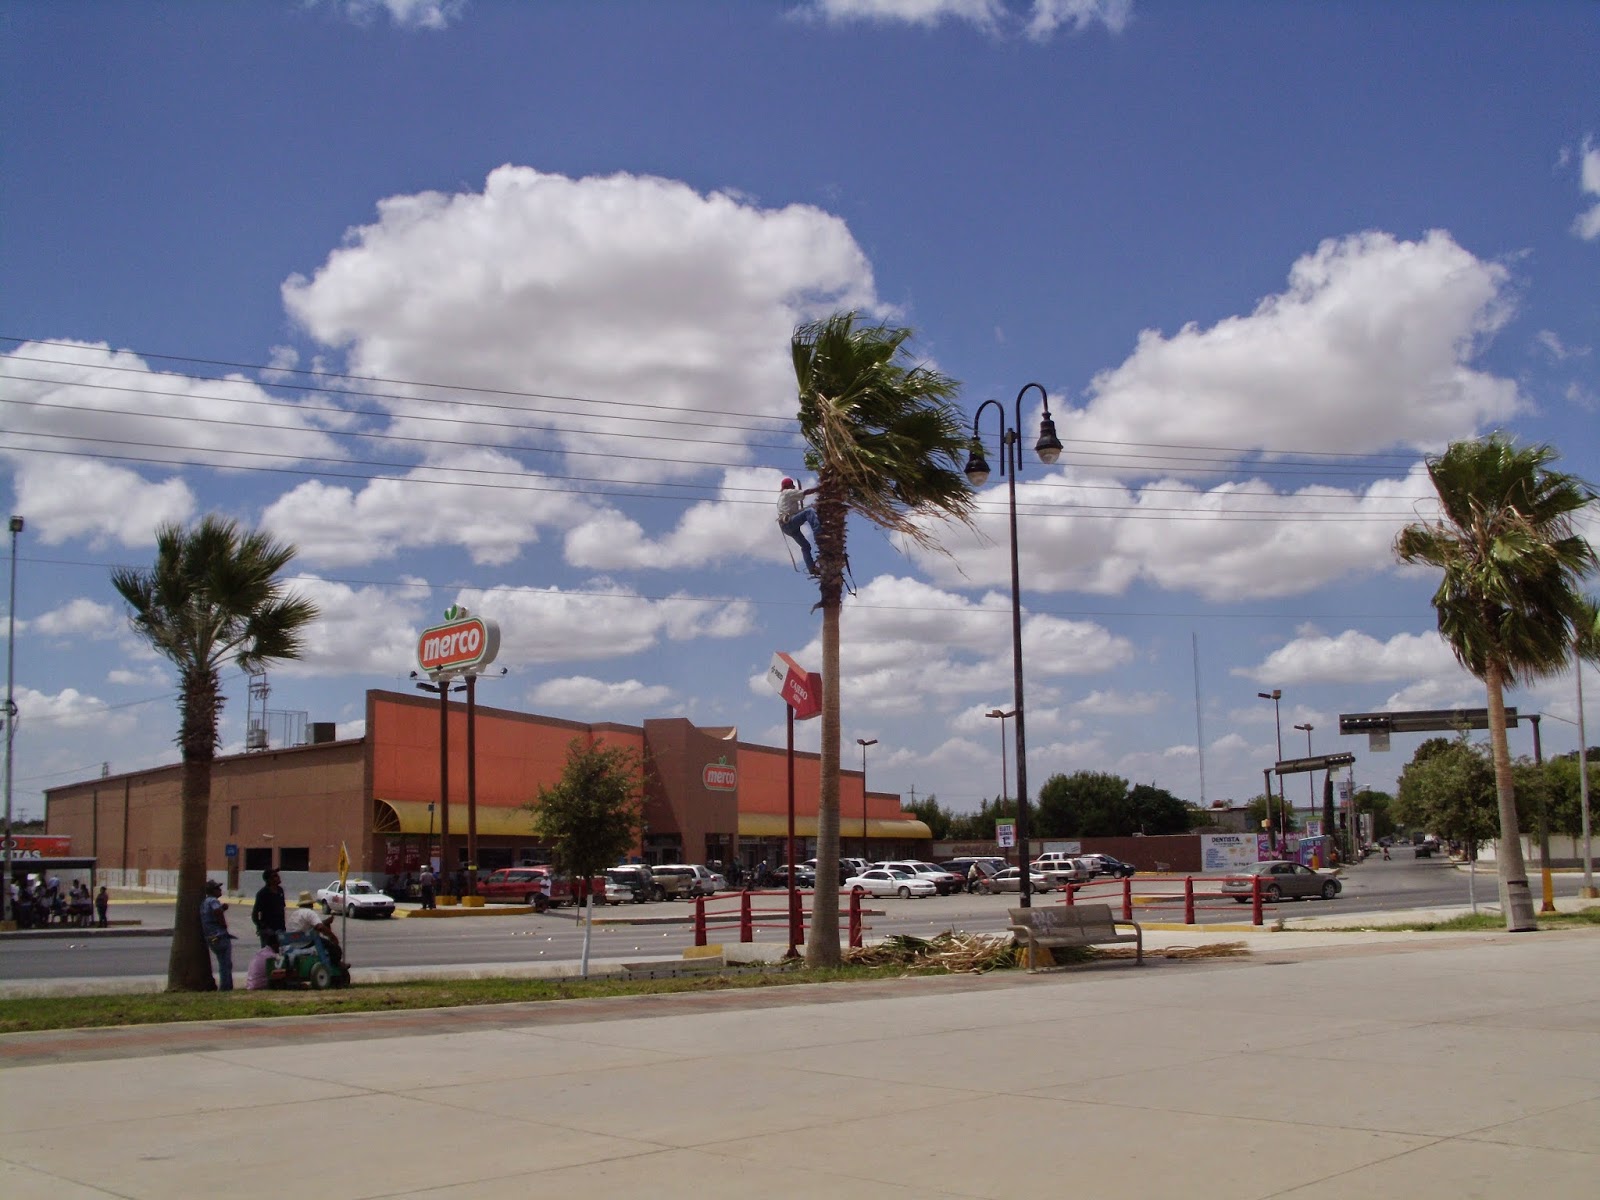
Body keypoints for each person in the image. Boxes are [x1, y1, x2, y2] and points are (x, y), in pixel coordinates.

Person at [777, 477, 821, 576]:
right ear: (788, 486)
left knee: (805, 546)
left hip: (786, 526)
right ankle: (819, 535)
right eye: (792, 485)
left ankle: (812, 569)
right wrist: (819, 488)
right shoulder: (788, 492)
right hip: (789, 523)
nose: (794, 486)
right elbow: (805, 492)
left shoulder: (783, 496)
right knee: (809, 512)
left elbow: (795, 512)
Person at [200, 879, 236, 990]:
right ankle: (226, 987)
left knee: (222, 962)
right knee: (226, 964)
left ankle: (225, 986)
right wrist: (223, 925)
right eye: (217, 888)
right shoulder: (213, 901)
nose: (220, 890)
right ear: (212, 891)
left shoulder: (205, 902)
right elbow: (216, 912)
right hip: (220, 935)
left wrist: (222, 909)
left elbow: (212, 914)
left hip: (210, 936)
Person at [251, 868, 287, 947]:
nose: (278, 877)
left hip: (280, 929)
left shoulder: (280, 890)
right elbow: (255, 914)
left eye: (277, 875)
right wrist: (262, 927)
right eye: (275, 876)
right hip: (269, 931)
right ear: (269, 880)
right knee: (268, 954)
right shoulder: (263, 894)